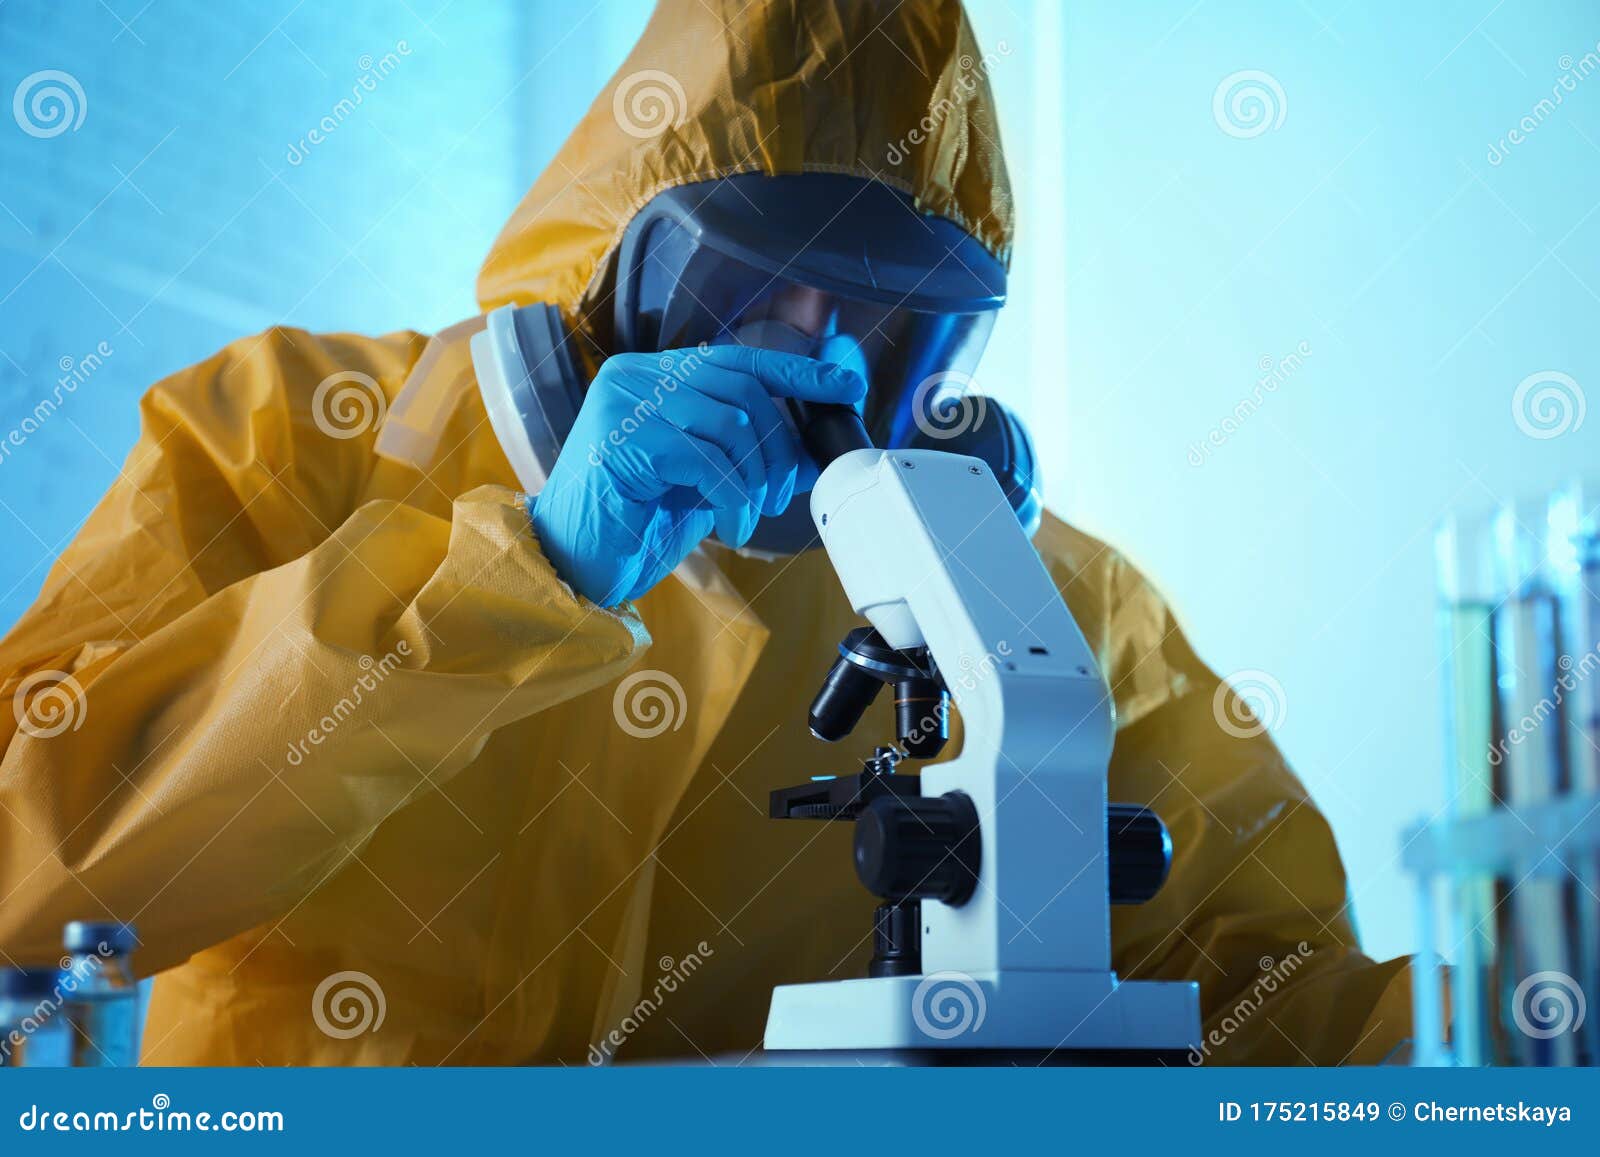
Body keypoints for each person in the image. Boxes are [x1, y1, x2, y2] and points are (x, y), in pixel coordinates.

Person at [0, 0, 1411, 1065]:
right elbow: (26, 880)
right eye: (751, 284)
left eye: (877, 315)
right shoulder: (303, 441)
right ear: (615, 258)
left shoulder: (1031, 612)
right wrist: (518, 577)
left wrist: (1514, 999)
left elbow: (1283, 1014)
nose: (810, 355)